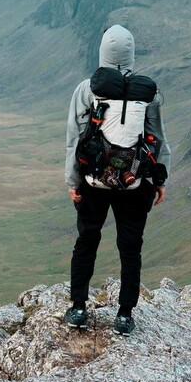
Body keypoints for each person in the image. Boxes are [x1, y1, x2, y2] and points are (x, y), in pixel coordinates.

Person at [63, 24, 170, 335]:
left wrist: (72, 182)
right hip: (134, 184)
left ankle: (78, 308)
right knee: (130, 248)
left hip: (93, 183)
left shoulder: (87, 90)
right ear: (132, 54)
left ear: (103, 53)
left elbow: (75, 138)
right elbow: (158, 140)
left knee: (86, 242)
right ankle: (124, 315)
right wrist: (160, 181)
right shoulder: (148, 93)